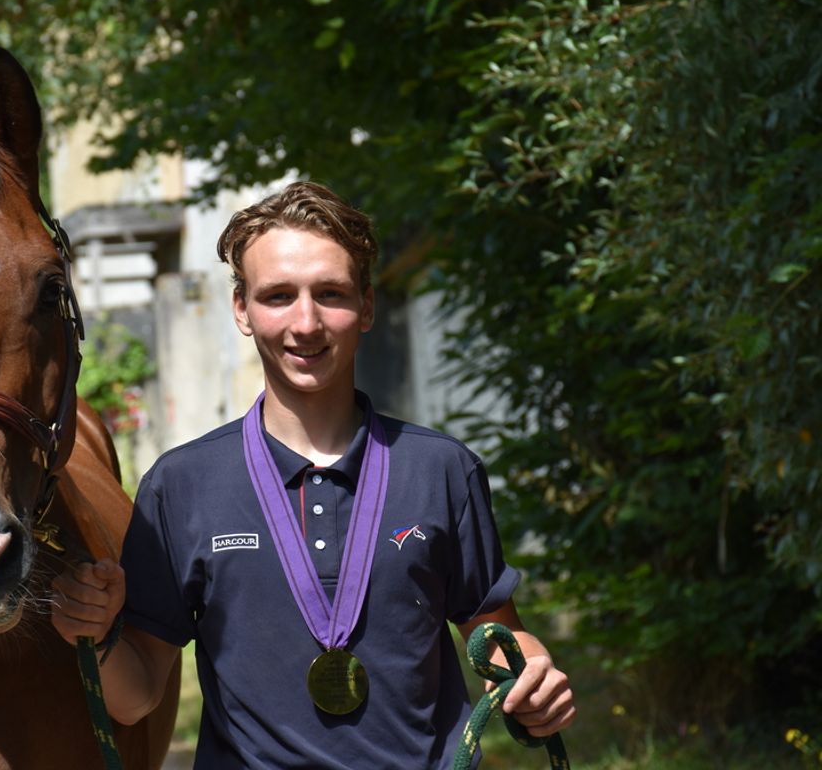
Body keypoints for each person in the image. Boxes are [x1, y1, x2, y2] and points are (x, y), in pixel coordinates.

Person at [52, 181, 575, 768]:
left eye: (330, 293)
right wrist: (97, 636)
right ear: (241, 310)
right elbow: (137, 696)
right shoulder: (180, 486)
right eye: (278, 296)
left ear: (368, 306)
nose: (306, 323)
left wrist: (533, 682)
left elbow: (499, 638)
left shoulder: (442, 469)